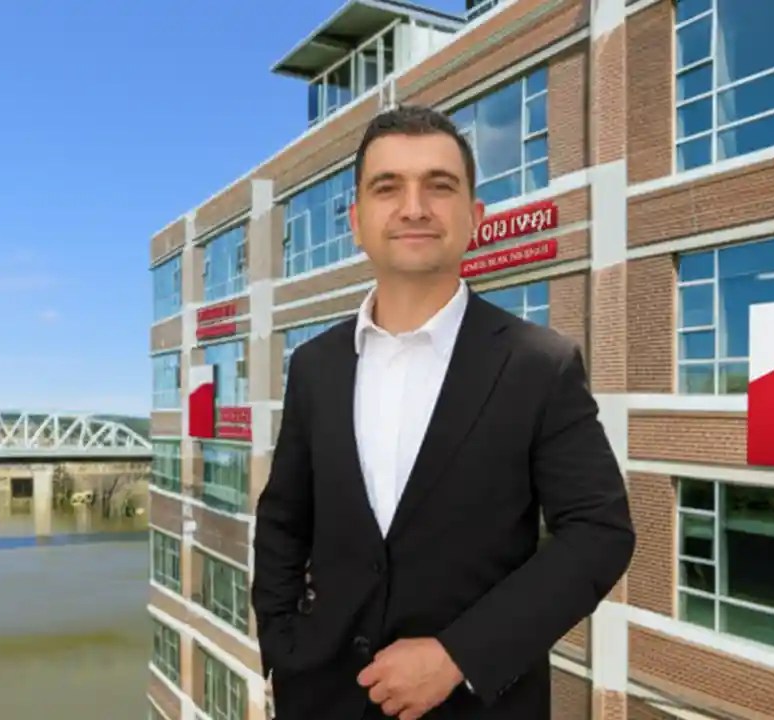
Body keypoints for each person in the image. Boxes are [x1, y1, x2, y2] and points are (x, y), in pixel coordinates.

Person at [251, 104, 635, 720]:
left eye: (439, 186)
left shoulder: (540, 364)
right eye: (387, 188)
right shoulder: (314, 365)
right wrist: (282, 649)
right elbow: (283, 522)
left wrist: (461, 654)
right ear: (356, 221)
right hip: (320, 701)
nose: (414, 208)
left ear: (474, 217)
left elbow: (599, 533)